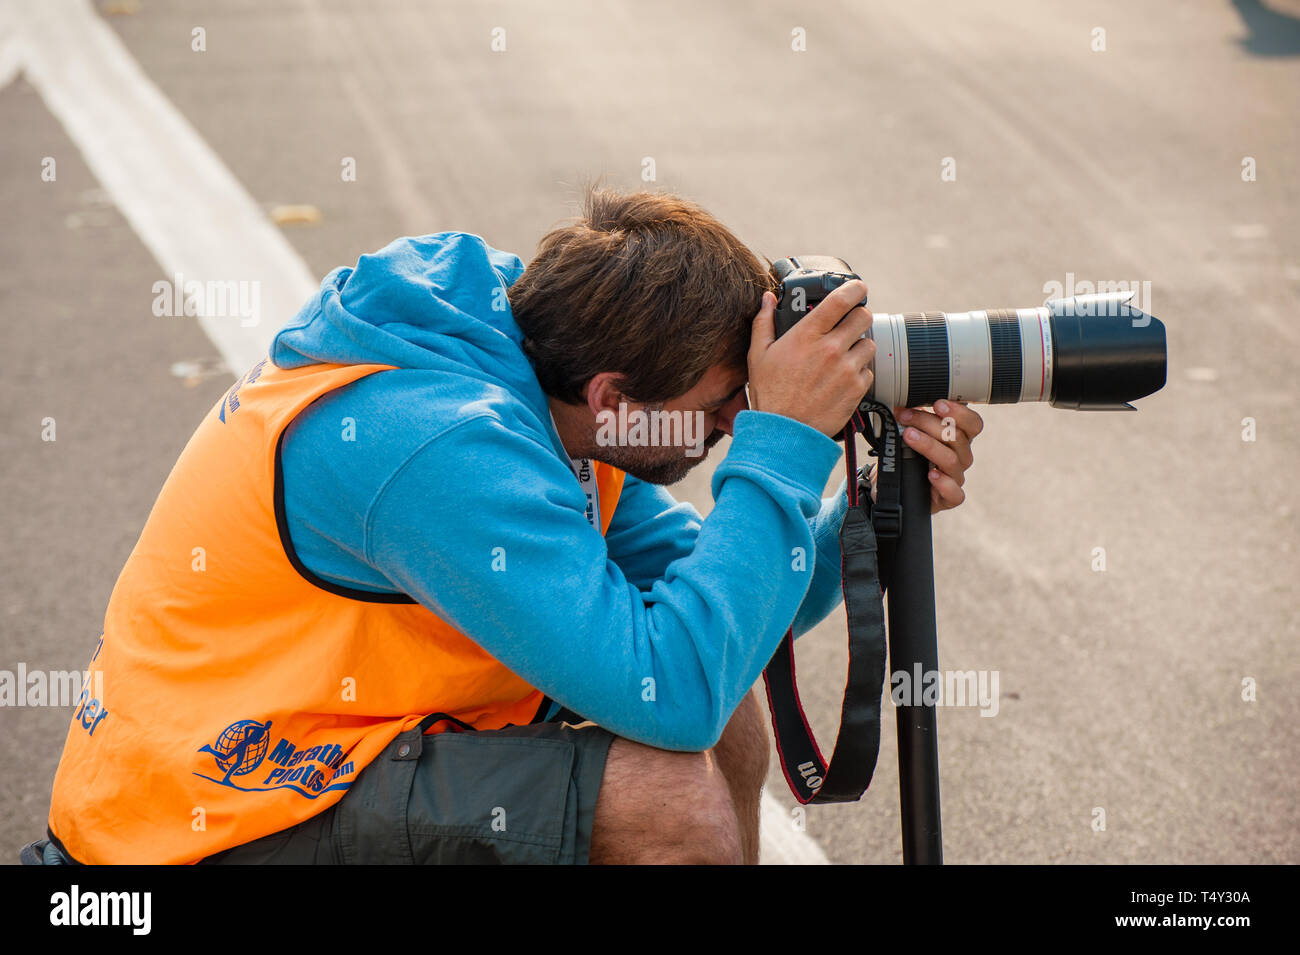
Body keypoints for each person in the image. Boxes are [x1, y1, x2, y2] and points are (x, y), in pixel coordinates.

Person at [27, 188, 981, 866]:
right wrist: (779, 450)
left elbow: (711, 609)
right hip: (197, 818)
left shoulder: (542, 382)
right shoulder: (440, 446)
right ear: (616, 398)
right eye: (724, 404)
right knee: (666, 807)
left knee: (722, 710)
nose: (734, 425)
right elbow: (671, 686)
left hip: (342, 746)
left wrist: (860, 518)